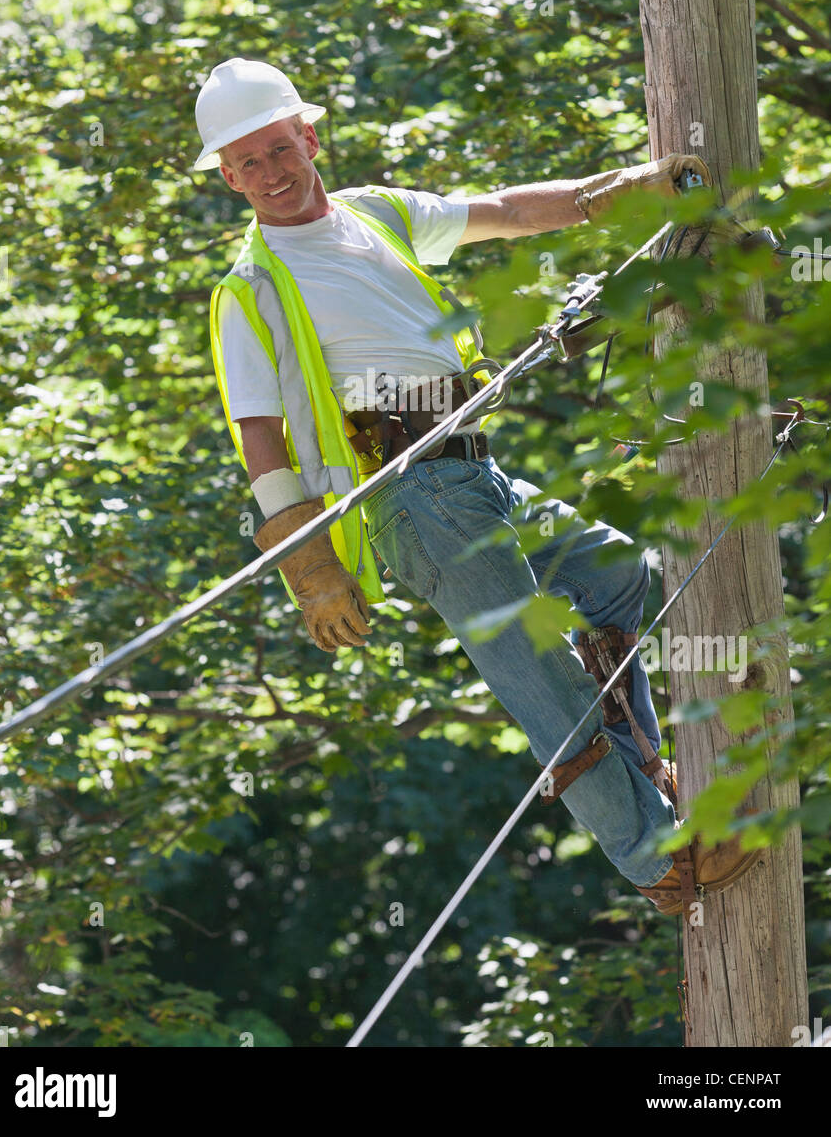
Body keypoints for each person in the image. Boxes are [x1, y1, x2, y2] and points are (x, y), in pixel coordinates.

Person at [193, 56, 760, 919]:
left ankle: (646, 764)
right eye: (249, 163)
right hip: (412, 497)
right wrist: (309, 570)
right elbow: (260, 439)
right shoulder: (251, 290)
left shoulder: (375, 215)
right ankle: (656, 858)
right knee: (538, 675)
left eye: (279, 148)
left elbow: (500, 212)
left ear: (309, 138)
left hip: (473, 469)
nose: (270, 172)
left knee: (619, 576)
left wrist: (620, 191)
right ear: (229, 178)